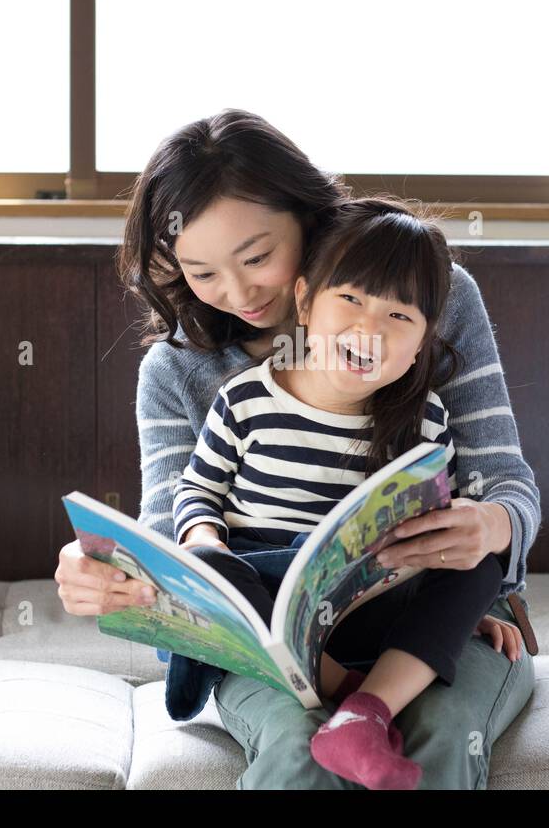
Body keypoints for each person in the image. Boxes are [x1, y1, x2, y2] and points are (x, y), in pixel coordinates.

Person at [55, 109, 540, 789]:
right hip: (265, 635)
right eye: (202, 272)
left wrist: (491, 526)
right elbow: (179, 546)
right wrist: (103, 566)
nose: (239, 291)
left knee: (435, 734)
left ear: (310, 219)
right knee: (296, 746)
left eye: (257, 257)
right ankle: (336, 688)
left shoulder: (425, 294)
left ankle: (375, 700)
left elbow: (504, 485)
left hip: (420, 613)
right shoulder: (181, 374)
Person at [164, 198, 505, 789]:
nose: (369, 329)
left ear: (424, 340)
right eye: (349, 300)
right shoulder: (246, 401)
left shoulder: (425, 420)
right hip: (271, 591)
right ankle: (347, 696)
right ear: (304, 301)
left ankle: (363, 712)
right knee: (212, 566)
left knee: (479, 565)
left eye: (400, 317)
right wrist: (203, 539)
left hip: (371, 596)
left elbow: (440, 526)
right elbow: (197, 490)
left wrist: (458, 597)